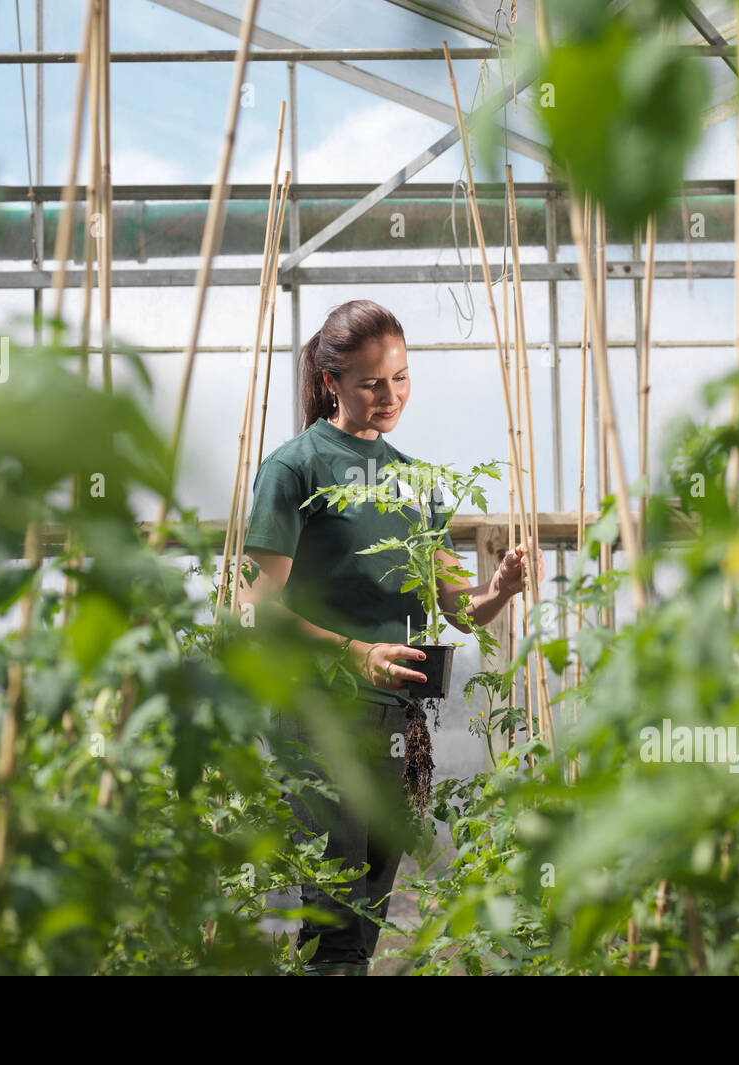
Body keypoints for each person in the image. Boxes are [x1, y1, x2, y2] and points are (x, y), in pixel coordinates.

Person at [235, 298, 542, 975]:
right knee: (335, 909)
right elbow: (252, 609)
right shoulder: (295, 468)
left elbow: (460, 608)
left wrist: (501, 588)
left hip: (397, 719)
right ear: (330, 381)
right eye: (372, 383)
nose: (390, 396)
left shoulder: (416, 480)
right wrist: (356, 654)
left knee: (365, 919)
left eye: (400, 378)